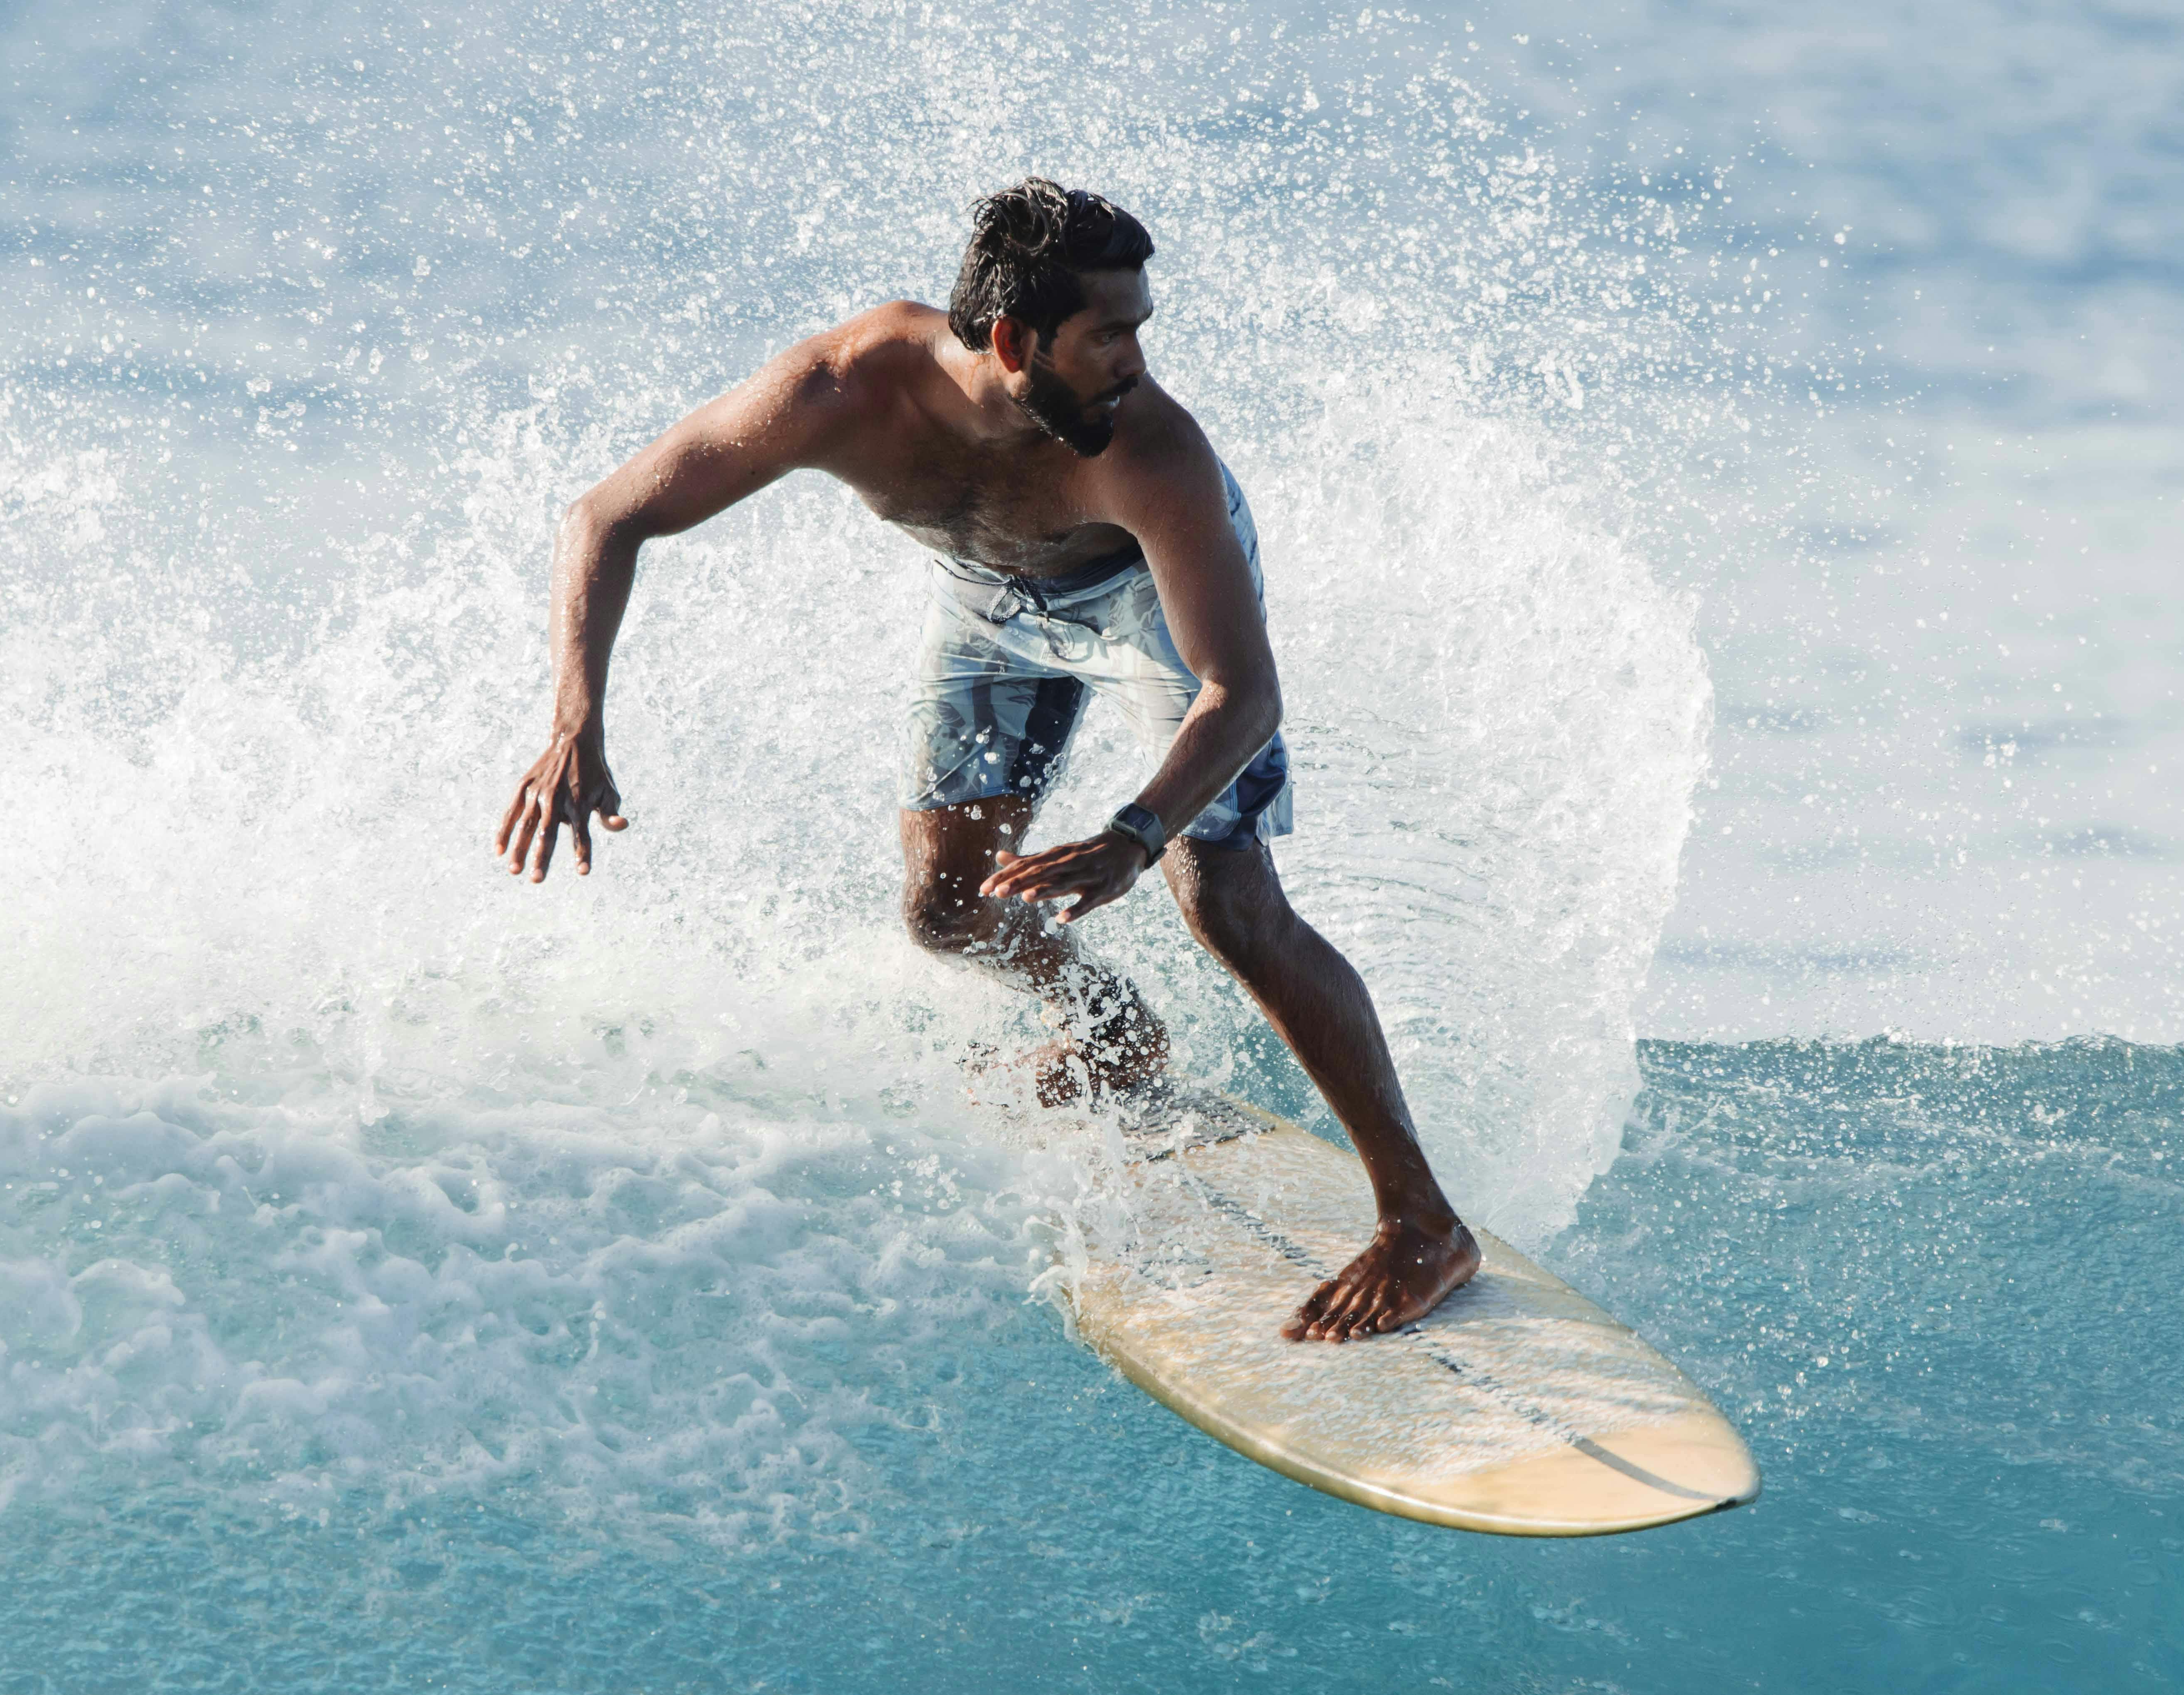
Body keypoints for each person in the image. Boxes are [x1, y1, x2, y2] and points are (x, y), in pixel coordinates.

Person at [495, 180, 1475, 1342]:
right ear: (1013, 340)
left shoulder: (1154, 452)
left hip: (1145, 606)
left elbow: (1244, 692)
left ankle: (1423, 1222)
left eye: (1141, 329)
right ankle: (1118, 1036)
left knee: (1225, 899)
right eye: (1109, 334)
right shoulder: (840, 390)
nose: (1137, 359)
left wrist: (1132, 835)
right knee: (944, 909)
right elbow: (607, 517)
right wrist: (576, 720)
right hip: (987, 605)